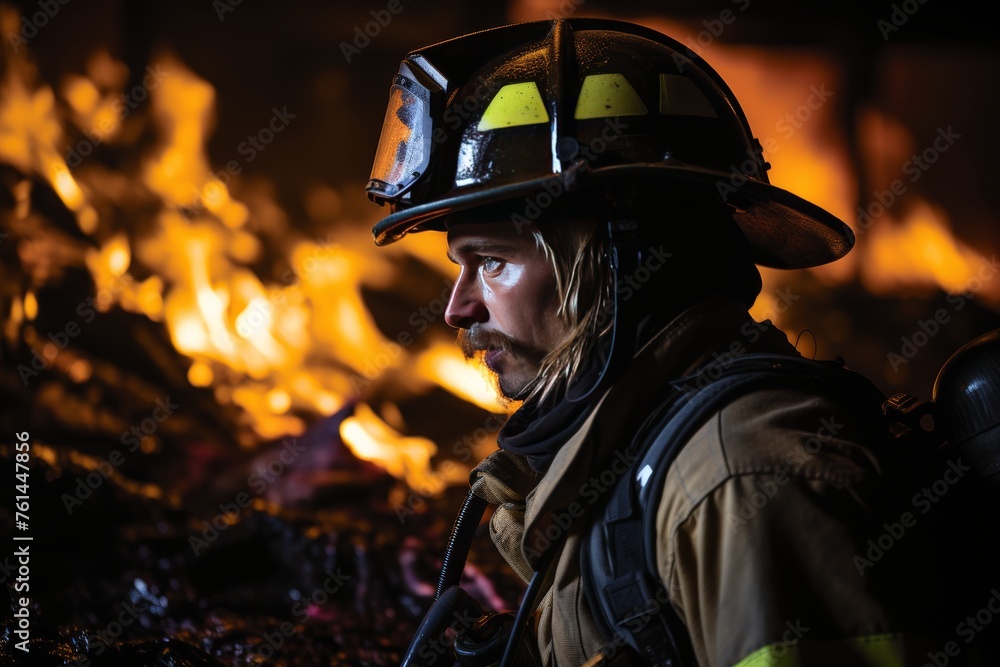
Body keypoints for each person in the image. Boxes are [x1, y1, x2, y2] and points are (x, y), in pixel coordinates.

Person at [365, 17, 980, 667]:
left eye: (491, 260)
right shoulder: (632, 456)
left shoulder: (741, 477)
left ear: (620, 262)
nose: (458, 308)